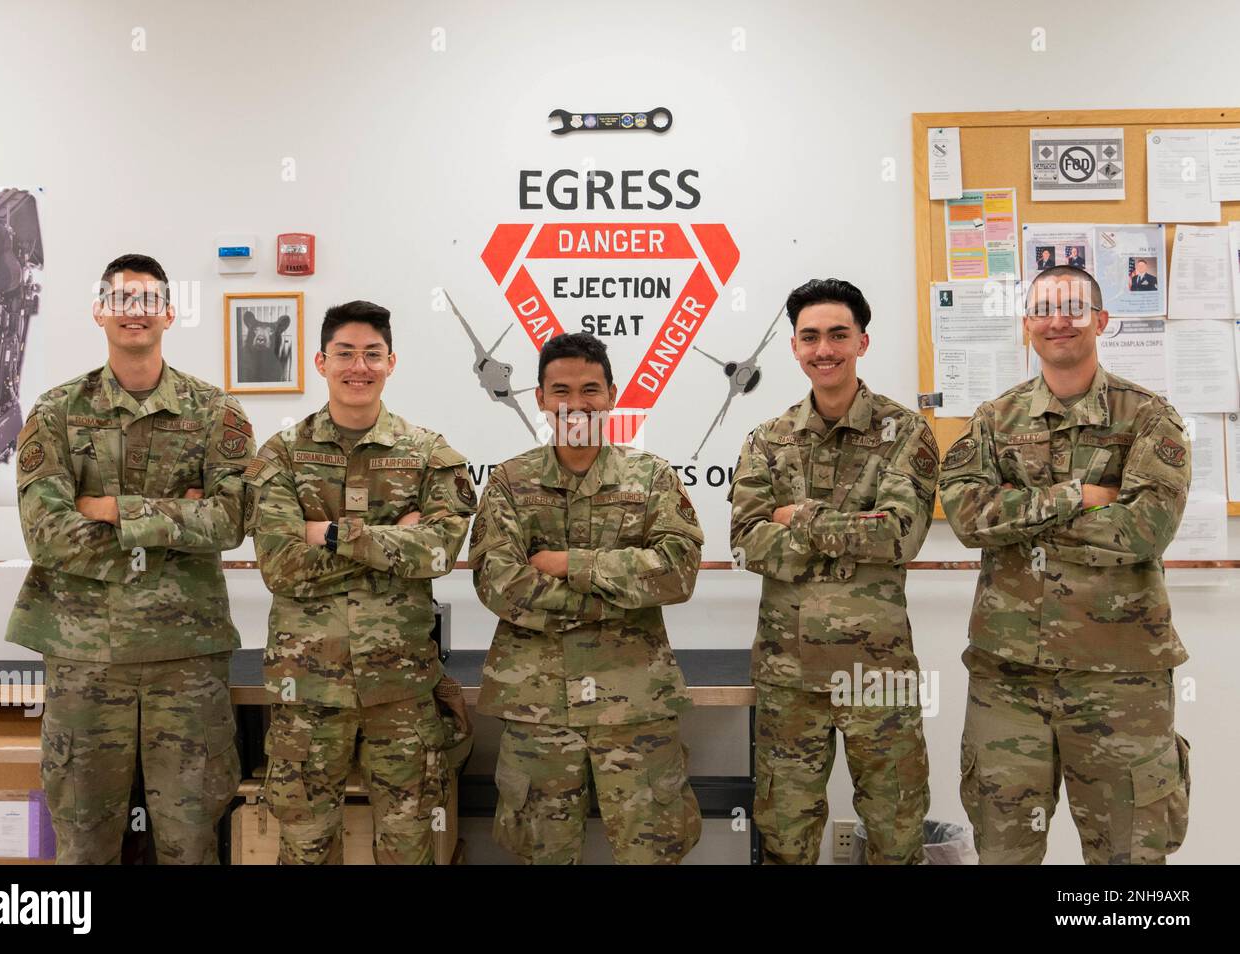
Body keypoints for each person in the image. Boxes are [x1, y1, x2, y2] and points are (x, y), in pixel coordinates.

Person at [940, 265, 1191, 864]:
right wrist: (1078, 495)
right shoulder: (993, 420)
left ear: (1101, 320)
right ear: (1027, 325)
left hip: (1120, 680)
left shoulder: (1150, 419)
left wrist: (1022, 523)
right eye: (1044, 309)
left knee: (1129, 862)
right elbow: (968, 519)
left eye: (1074, 307)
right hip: (1008, 682)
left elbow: (1141, 531)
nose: (1058, 320)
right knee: (1003, 851)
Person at [10, 253, 254, 864]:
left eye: (148, 301)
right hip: (86, 657)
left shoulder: (215, 413)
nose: (134, 312)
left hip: (187, 658)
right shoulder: (55, 413)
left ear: (170, 313)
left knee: (191, 840)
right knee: (84, 842)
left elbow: (229, 521)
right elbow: (47, 534)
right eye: (121, 299)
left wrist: (111, 509)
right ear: (100, 312)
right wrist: (174, 516)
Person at [246, 300, 475, 864]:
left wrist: (327, 533)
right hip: (308, 691)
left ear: (391, 363)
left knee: (407, 849)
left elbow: (441, 552)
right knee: (304, 850)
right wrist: (391, 539)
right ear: (321, 361)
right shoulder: (282, 455)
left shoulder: (426, 455)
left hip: (401, 688)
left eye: (372, 354)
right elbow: (280, 565)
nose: (359, 366)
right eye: (345, 353)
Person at [470, 332, 704, 864]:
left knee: (653, 854)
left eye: (590, 389)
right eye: (561, 390)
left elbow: (678, 574)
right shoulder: (509, 482)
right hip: (538, 708)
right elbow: (498, 583)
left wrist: (571, 564)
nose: (575, 404)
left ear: (613, 395)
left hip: (634, 705)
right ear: (540, 398)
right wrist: (615, 597)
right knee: (542, 855)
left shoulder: (652, 479)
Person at [729, 278, 936, 864]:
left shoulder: (906, 433)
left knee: (895, 835)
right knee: (785, 838)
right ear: (794, 348)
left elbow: (899, 536)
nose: (825, 349)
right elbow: (746, 543)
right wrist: (850, 529)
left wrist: (800, 517)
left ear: (862, 342)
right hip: (788, 674)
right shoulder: (767, 441)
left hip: (878, 673)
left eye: (838, 335)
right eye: (811, 337)